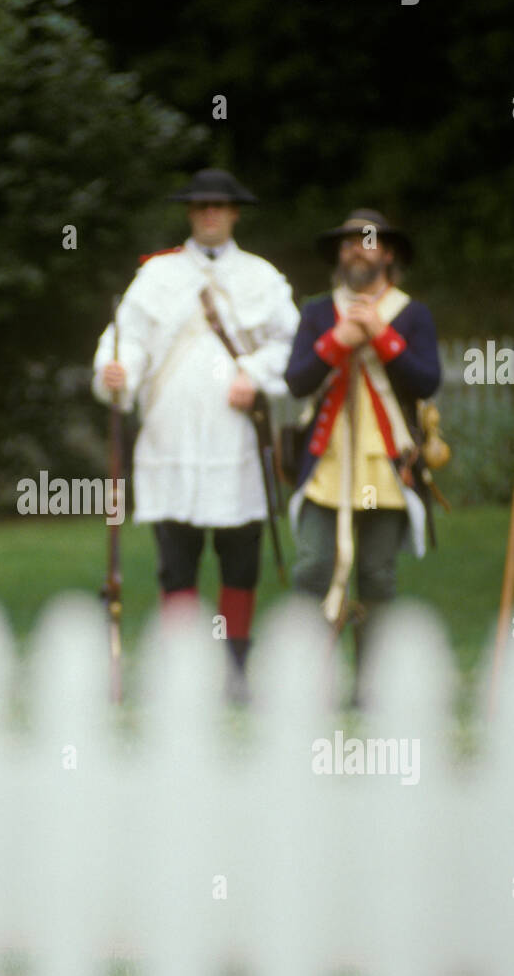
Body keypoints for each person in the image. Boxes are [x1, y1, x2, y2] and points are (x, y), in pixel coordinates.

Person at [91, 167, 299, 687]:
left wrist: (254, 374)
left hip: (237, 440)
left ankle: (235, 663)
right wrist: (117, 372)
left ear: (233, 213)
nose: (210, 213)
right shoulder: (157, 276)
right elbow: (129, 339)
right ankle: (184, 666)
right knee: (176, 560)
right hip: (172, 437)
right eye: (201, 205)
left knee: (239, 557)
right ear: (191, 212)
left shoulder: (263, 277)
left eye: (219, 206)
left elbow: (289, 344)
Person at [284, 208, 441, 663]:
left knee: (376, 574)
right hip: (327, 463)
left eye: (367, 239)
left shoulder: (411, 315)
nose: (356, 247)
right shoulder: (318, 312)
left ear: (388, 252)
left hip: (383, 467)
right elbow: (297, 380)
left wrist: (380, 334)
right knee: (313, 566)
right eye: (348, 241)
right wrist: (338, 339)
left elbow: (424, 382)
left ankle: (371, 681)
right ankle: (305, 675)